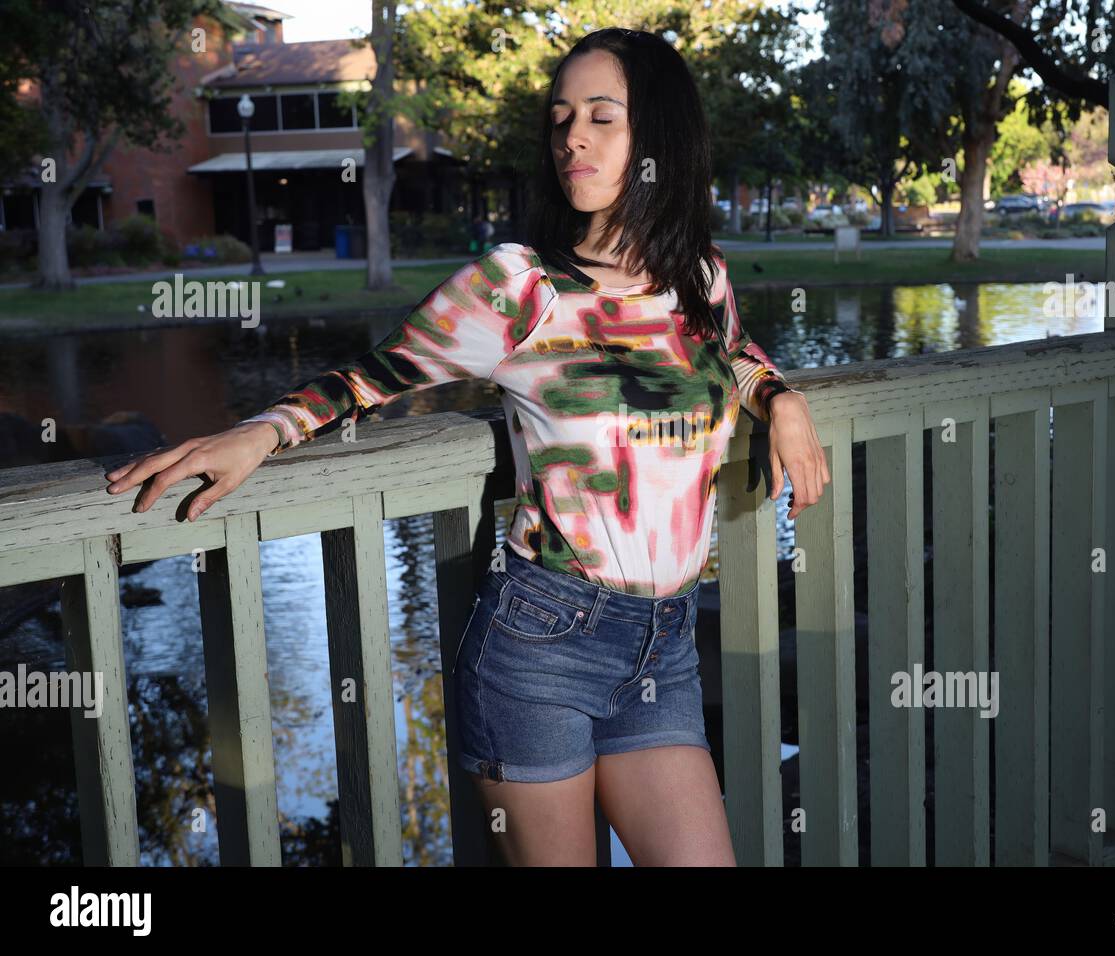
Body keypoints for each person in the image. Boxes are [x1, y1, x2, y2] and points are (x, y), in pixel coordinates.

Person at [103, 27, 828, 866]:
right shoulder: (521, 286)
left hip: (662, 648)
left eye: (602, 117)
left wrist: (782, 399)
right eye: (561, 119)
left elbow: (736, 351)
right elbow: (373, 376)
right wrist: (261, 431)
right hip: (544, 645)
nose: (572, 139)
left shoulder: (699, 275)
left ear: (661, 139)